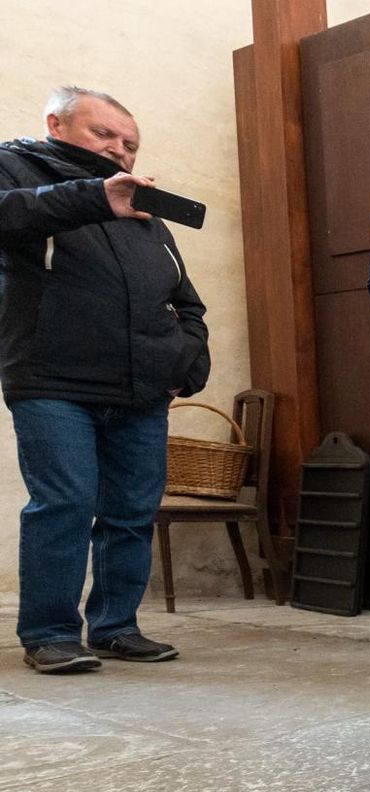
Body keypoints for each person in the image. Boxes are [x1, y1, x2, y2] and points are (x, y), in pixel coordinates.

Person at [2, 86, 209, 673]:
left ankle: (116, 626)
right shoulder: (14, 168)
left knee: (131, 510)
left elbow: (185, 302)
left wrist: (184, 366)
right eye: (105, 135)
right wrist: (94, 196)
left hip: (142, 389)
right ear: (56, 124)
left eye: (131, 143)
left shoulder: (145, 210)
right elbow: (10, 216)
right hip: (52, 378)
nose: (121, 150)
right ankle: (50, 632)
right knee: (64, 503)